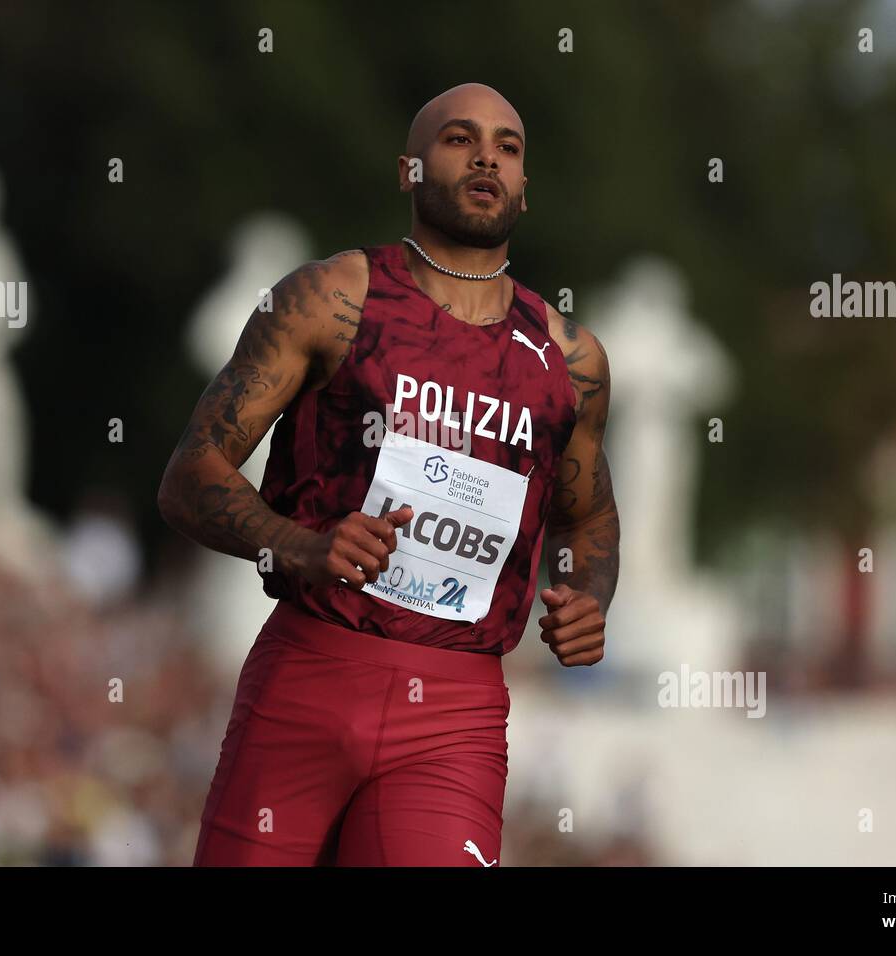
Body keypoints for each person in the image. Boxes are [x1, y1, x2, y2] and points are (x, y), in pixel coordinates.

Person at [158, 82, 619, 866]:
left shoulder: (571, 360)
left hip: (455, 710)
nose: (486, 158)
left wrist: (588, 598)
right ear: (408, 169)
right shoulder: (328, 299)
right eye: (459, 139)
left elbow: (588, 516)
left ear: (524, 190)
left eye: (507, 148)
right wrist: (298, 545)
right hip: (309, 673)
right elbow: (189, 475)